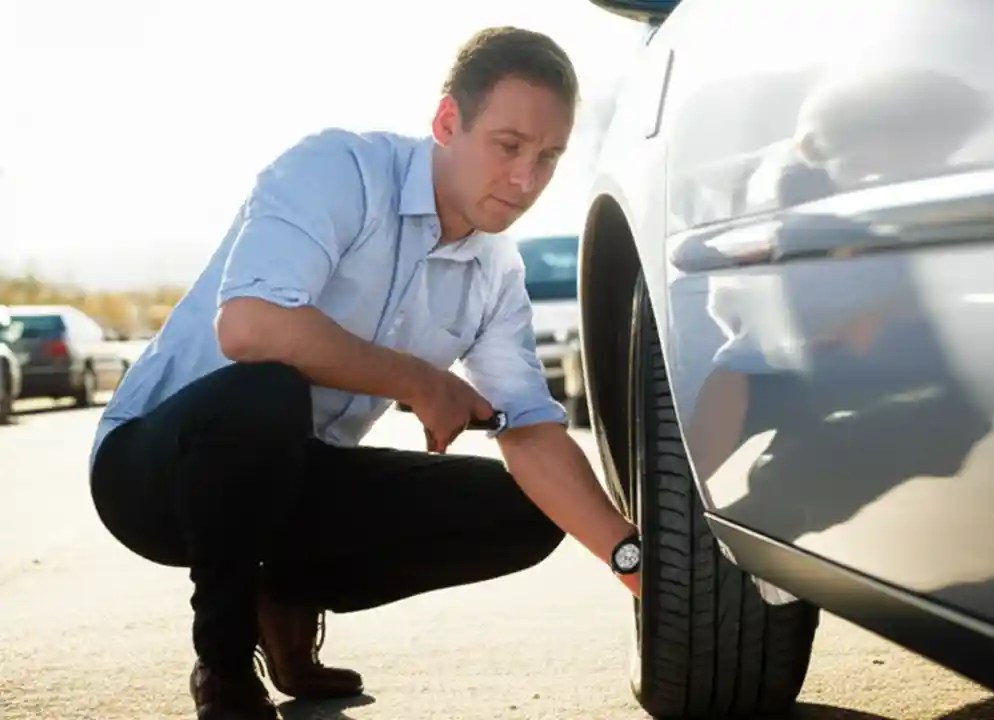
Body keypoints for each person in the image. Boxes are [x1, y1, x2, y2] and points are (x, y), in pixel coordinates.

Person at [87, 26, 642, 720]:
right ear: (448, 122)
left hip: (292, 481)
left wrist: (635, 562)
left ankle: (284, 596)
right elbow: (250, 326)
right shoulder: (337, 171)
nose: (526, 180)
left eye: (549, 157)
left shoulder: (495, 272)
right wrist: (421, 381)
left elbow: (529, 428)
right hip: (155, 470)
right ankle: (224, 668)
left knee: (525, 513)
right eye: (508, 146)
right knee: (265, 388)